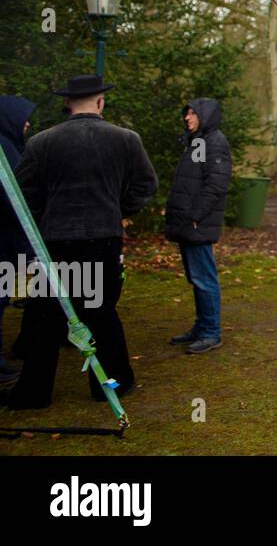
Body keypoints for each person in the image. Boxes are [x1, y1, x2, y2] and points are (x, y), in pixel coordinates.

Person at [2, 75, 157, 409]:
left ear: (67, 103)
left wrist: (47, 216)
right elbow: (146, 185)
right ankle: (112, 385)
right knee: (101, 314)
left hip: (56, 242)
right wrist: (120, 211)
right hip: (103, 240)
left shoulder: (42, 142)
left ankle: (33, 392)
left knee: (47, 317)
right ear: (100, 102)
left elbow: (23, 192)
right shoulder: (125, 139)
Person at [164, 98, 232, 354]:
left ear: (206, 116)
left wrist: (194, 216)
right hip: (187, 224)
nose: (187, 117)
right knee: (197, 278)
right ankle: (202, 327)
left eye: (193, 113)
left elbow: (216, 184)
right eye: (187, 113)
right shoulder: (198, 143)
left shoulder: (214, 143)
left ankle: (211, 333)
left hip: (197, 225)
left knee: (204, 279)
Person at [0, 96, 36, 385]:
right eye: (24, 118)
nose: (28, 124)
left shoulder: (10, 147)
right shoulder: (5, 151)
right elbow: (14, 199)